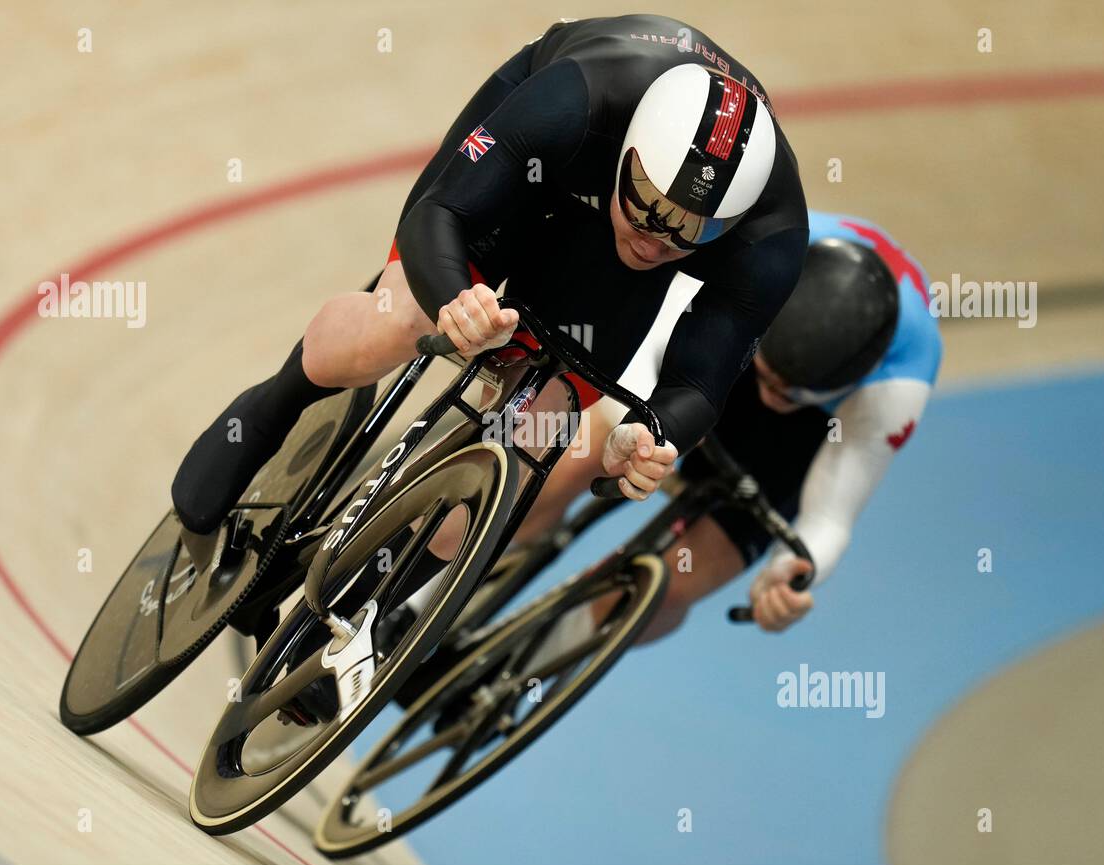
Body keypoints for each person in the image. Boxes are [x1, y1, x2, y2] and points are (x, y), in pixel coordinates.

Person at [170, 14, 808, 569]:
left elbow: (701, 383)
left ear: (730, 226)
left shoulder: (771, 236)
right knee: (397, 321)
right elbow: (438, 215)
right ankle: (274, 407)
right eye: (644, 202)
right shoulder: (575, 101)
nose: (651, 237)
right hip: (540, 161)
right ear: (628, 153)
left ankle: (366, 615)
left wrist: (650, 435)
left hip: (604, 249)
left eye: (685, 231)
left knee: (533, 436)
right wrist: (455, 296)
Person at [511, 210, 941, 650]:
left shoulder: (894, 390)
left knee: (669, 587)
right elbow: (656, 345)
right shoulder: (759, 251)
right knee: (572, 461)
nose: (773, 393)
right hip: (732, 343)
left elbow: (830, 517)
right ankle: (453, 582)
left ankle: (518, 671)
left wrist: (789, 574)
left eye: (790, 392)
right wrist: (637, 422)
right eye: (769, 377)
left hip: (806, 431)